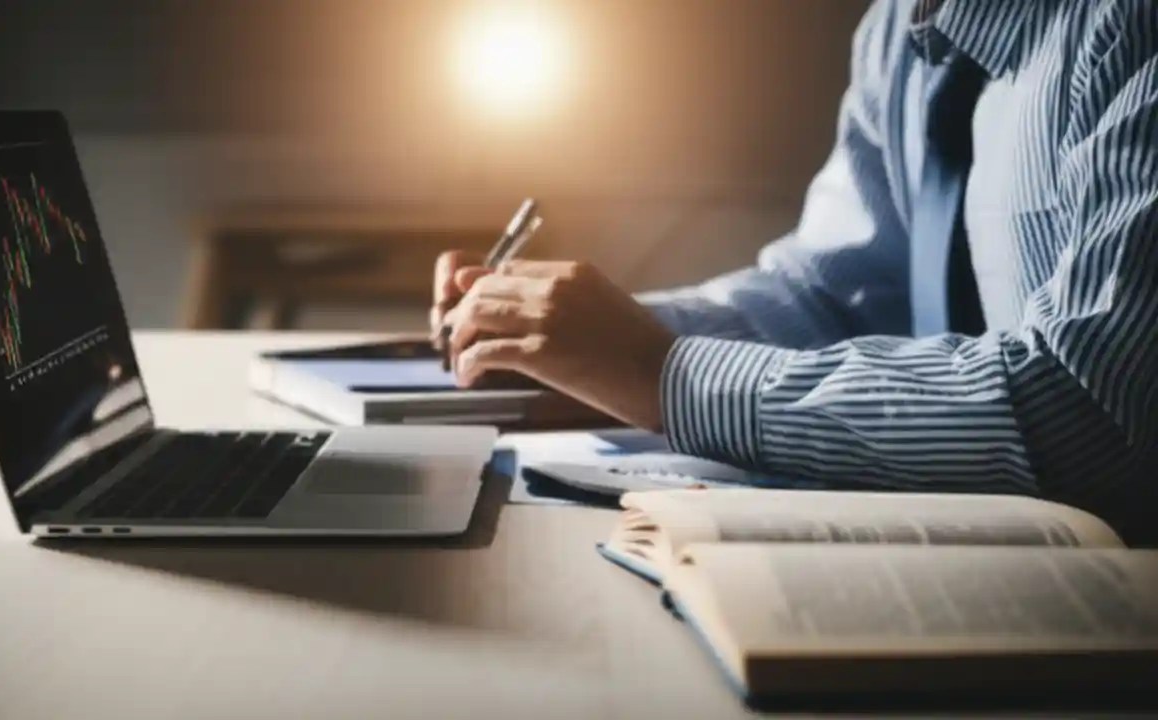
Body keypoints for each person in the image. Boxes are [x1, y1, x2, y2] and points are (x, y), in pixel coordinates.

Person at [430, 0, 1158, 543]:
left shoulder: (1129, 28)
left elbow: (1090, 414)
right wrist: (564, 341)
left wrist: (664, 375)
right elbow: (834, 295)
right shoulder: (899, 30)